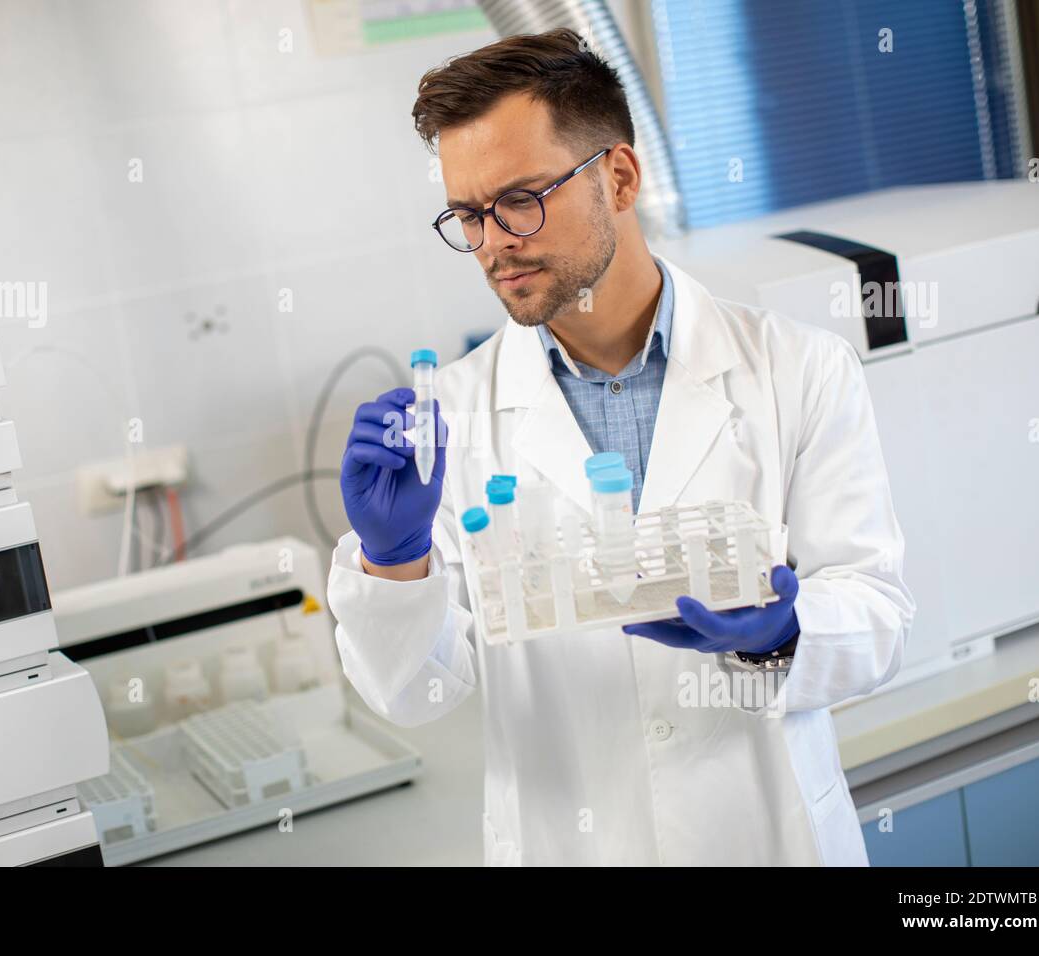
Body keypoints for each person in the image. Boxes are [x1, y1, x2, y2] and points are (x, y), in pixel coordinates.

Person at [326, 28, 914, 865]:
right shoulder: (453, 417)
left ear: (621, 175)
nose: (492, 243)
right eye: (467, 214)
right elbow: (416, 693)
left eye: (520, 199)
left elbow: (880, 617)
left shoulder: (799, 370)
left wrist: (787, 630)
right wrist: (395, 564)